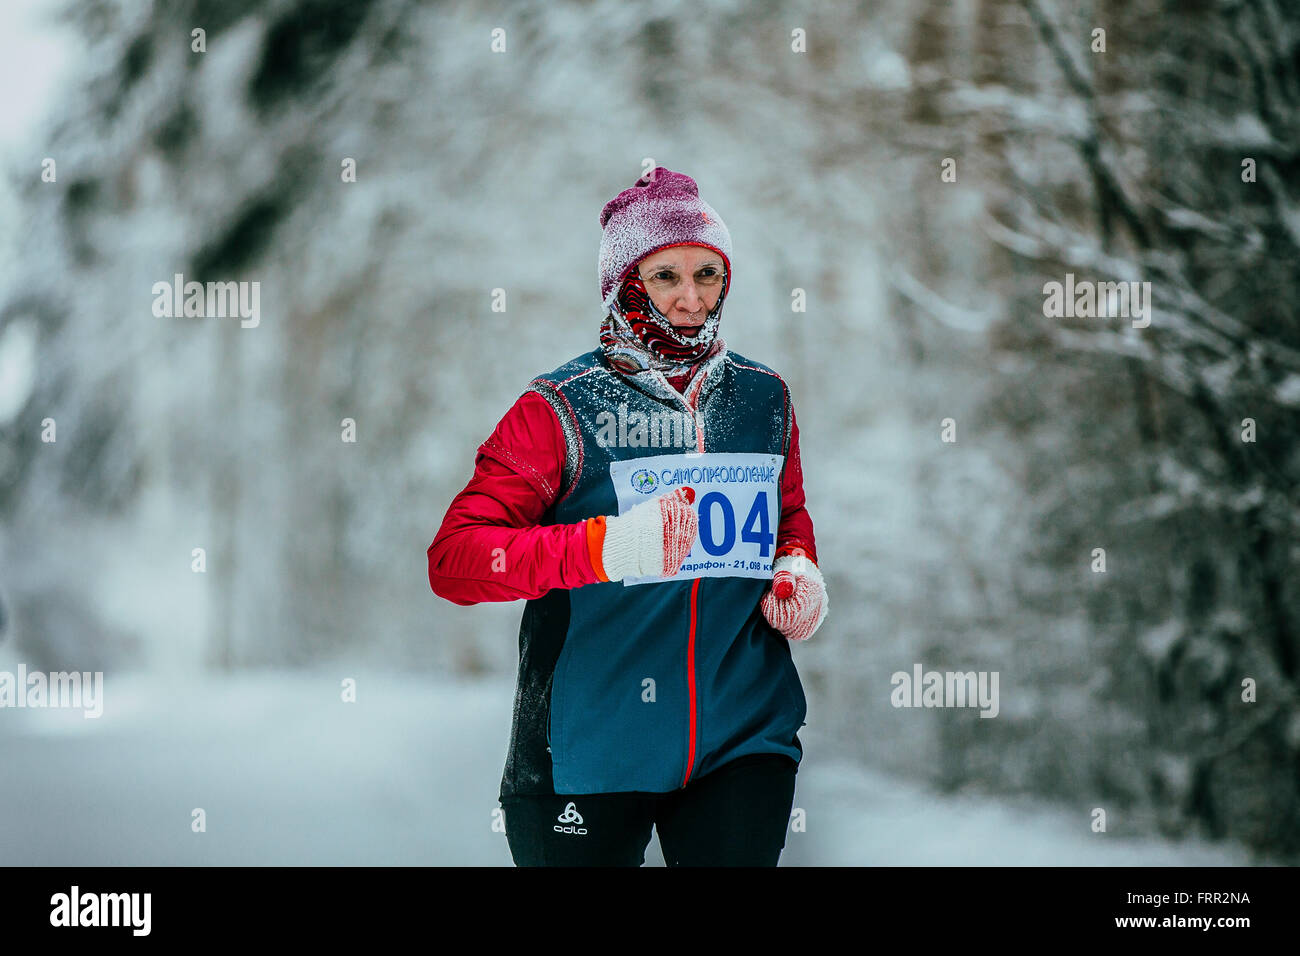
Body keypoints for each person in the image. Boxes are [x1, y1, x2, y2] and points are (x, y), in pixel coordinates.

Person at [427, 166, 828, 866]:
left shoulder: (764, 399)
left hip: (742, 735)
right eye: (666, 275)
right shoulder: (559, 408)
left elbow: (787, 513)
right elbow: (457, 561)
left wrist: (797, 568)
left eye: (708, 274)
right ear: (624, 284)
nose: (691, 297)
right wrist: (608, 549)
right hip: (588, 746)